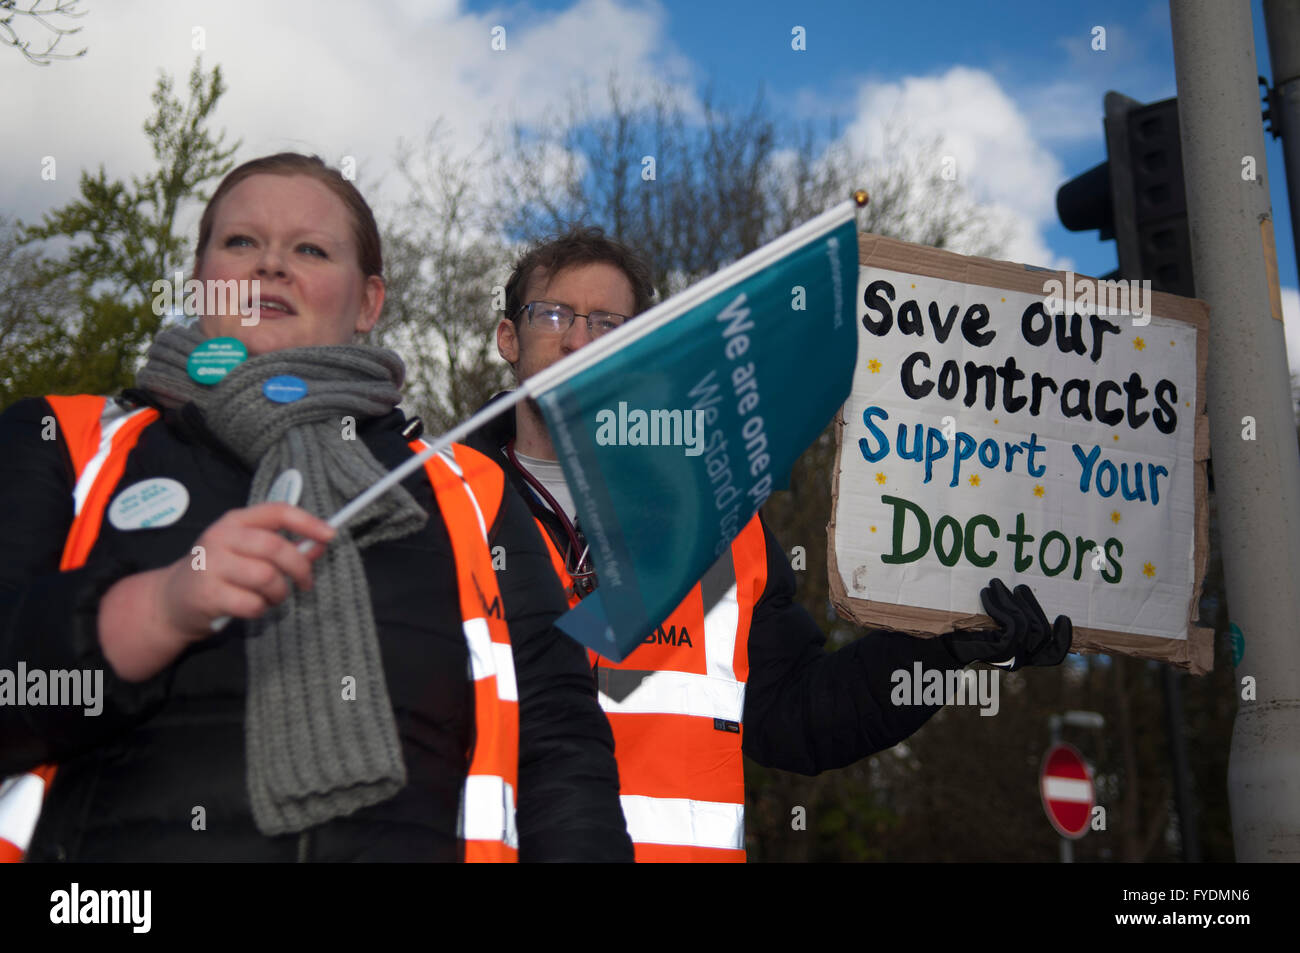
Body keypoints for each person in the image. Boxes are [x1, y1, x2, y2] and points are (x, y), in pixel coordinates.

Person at [0, 155, 632, 862]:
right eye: (241, 242)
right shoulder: (67, 443)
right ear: (197, 279)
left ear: (368, 303)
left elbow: (561, 749)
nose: (270, 264)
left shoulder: (469, 488)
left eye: (309, 249)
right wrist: (155, 609)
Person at [468, 226, 1074, 862]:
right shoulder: (438, 512)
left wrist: (942, 645)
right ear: (509, 336)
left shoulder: (722, 526)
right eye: (554, 313)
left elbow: (803, 719)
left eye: (608, 322)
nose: (578, 339)